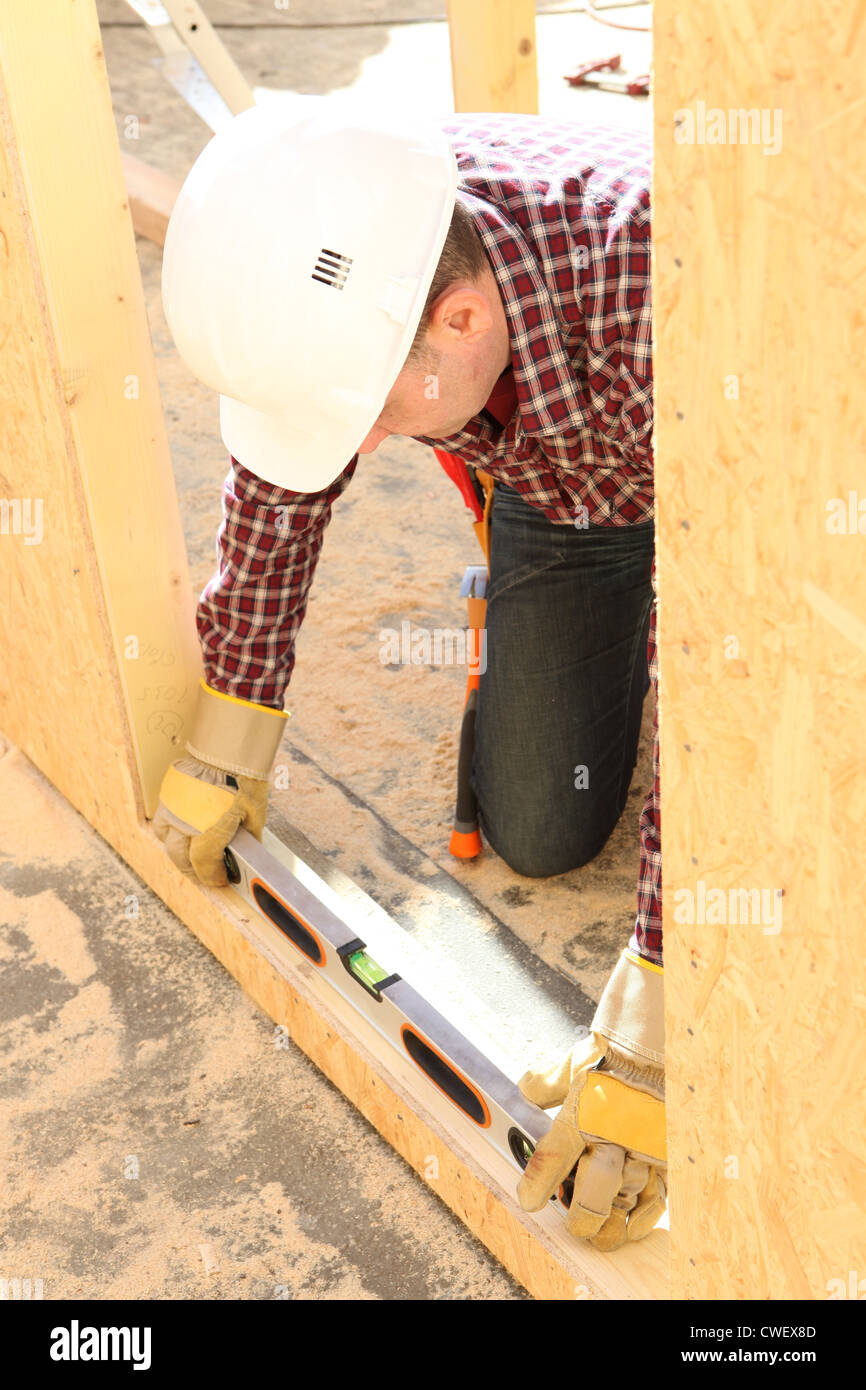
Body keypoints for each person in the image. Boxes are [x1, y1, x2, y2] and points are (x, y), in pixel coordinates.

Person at [154, 103, 666, 1252]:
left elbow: (760, 668)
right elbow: (282, 493)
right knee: (538, 822)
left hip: (732, 456)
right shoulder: (353, 220)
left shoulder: (668, 288)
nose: (369, 447)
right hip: (574, 473)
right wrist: (229, 726)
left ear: (463, 316)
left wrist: (652, 1014)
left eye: (373, 410)